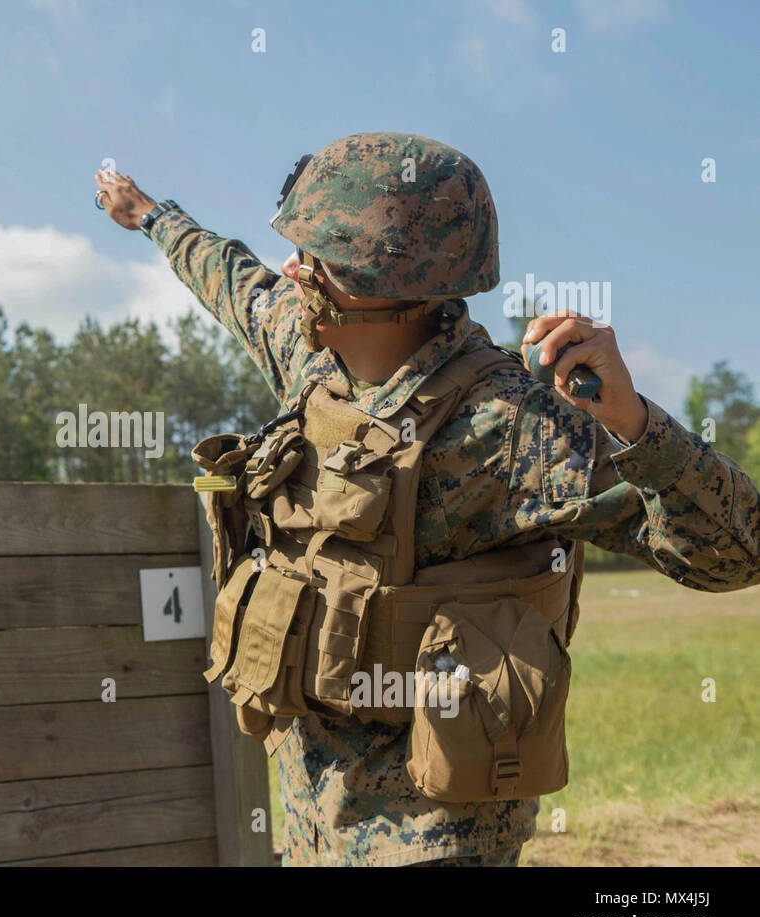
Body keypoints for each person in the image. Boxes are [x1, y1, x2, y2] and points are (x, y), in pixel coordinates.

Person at [94, 132, 760, 866]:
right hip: (314, 822)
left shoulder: (513, 428)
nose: (293, 269)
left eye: (314, 257)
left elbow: (735, 557)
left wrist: (635, 425)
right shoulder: (313, 359)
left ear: (367, 280)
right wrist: (150, 215)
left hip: (436, 838)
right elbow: (231, 280)